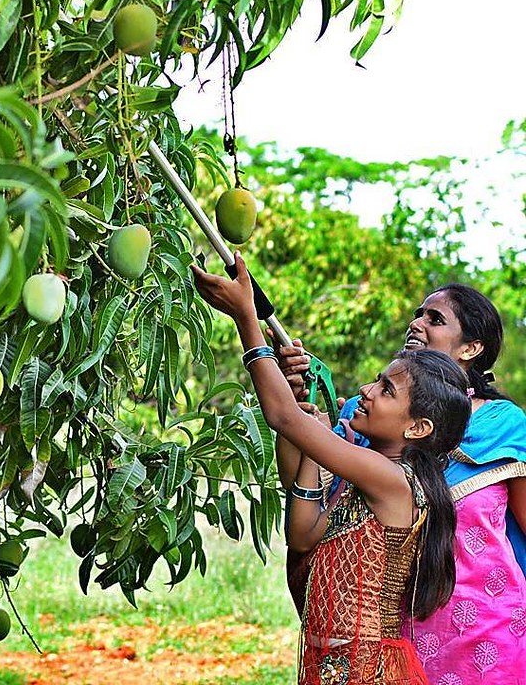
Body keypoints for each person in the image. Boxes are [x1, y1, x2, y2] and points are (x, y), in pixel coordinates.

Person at [192, 254, 472, 685]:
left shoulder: (394, 481)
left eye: (386, 389)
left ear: (417, 427)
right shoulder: (368, 478)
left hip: (365, 672)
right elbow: (302, 535)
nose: (367, 391)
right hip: (335, 668)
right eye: (377, 380)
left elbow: (282, 417)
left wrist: (246, 319)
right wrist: (312, 444)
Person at [280, 284, 526, 682]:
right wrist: (294, 402)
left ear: (471, 348)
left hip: (487, 636)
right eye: (418, 314)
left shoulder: (504, 425)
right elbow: (307, 498)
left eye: (435, 318)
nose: (416, 323)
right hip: (390, 635)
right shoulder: (370, 417)